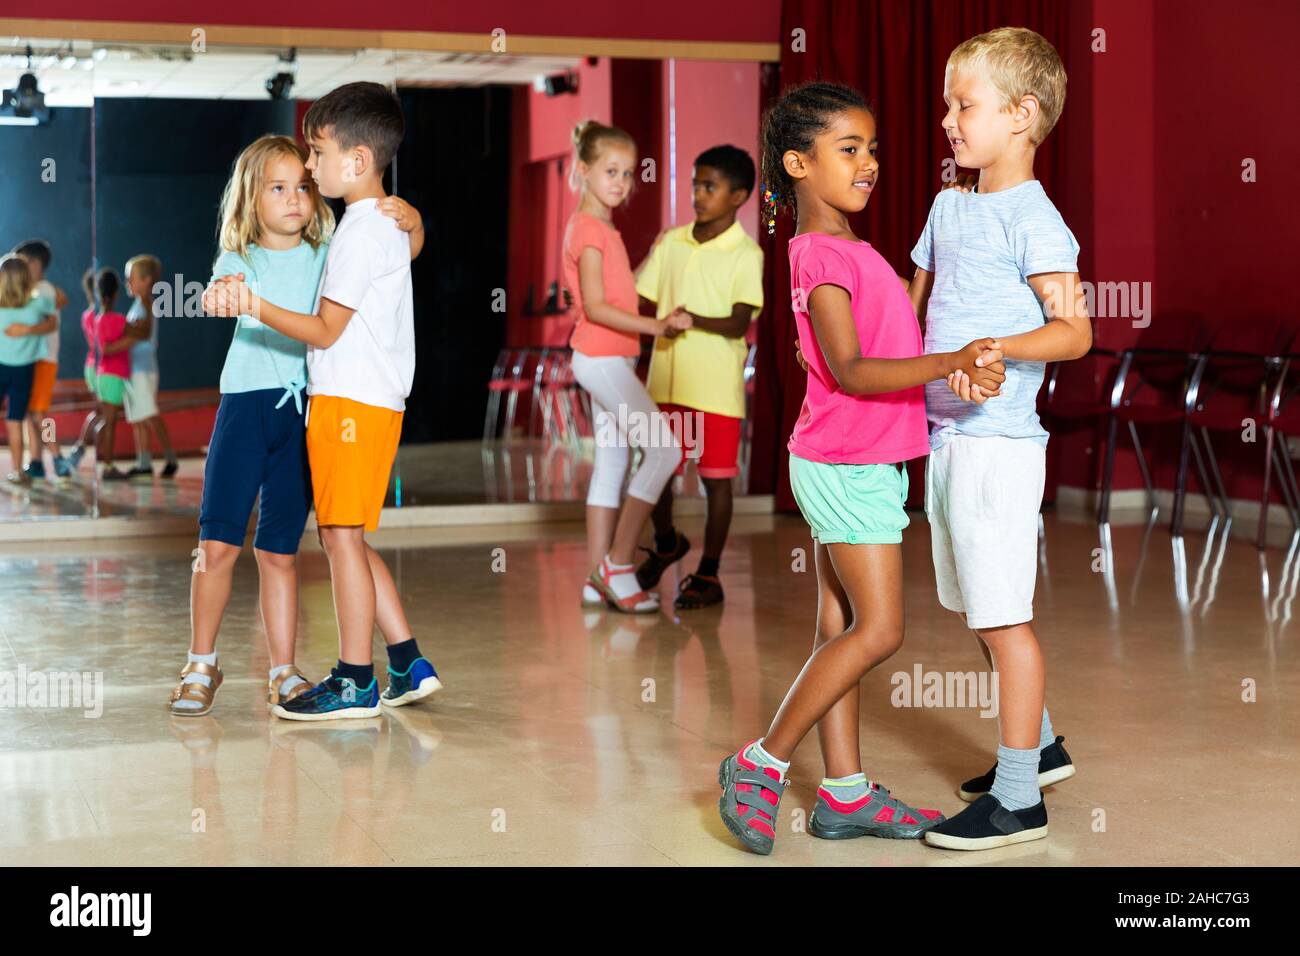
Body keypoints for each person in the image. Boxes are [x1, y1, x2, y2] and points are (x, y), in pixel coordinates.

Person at [715, 81, 1005, 855]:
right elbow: (851, 368)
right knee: (879, 630)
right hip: (849, 459)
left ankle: (842, 792)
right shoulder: (820, 252)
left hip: (854, 458)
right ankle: (760, 761)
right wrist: (950, 360)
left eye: (873, 148)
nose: (870, 162)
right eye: (850, 149)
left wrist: (938, 314)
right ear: (798, 163)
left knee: (837, 626)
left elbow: (891, 335)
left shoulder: (844, 247)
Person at [204, 83, 440, 721]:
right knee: (350, 538)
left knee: (339, 538)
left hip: (347, 405)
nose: (309, 167)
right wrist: (415, 221)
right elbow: (407, 252)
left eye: (318, 153)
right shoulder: (379, 223)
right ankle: (406, 660)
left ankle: (355, 679)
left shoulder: (358, 235)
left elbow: (325, 330)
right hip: (369, 402)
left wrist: (255, 306)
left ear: (357, 161)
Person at [911, 27, 1088, 851]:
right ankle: (1041, 745)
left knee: (1005, 620)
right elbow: (918, 311)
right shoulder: (948, 205)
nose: (948, 119)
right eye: (948, 103)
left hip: (1001, 449)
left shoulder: (1037, 218)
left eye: (964, 104)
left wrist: (997, 350)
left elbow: (1073, 334)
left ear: (1021, 116)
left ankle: (1021, 797)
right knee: (979, 610)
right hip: (949, 443)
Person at [563, 119, 692, 613]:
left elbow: (621, 294)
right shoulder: (591, 231)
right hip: (601, 357)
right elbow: (596, 308)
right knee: (664, 450)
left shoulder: (601, 229)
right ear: (583, 171)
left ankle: (598, 578)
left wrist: (652, 255)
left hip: (604, 357)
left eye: (628, 173)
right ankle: (618, 564)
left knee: (615, 461)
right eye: (610, 171)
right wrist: (659, 326)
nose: (620, 182)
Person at [633, 144, 764, 609]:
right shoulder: (672, 242)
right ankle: (667, 542)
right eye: (695, 184)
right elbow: (638, 295)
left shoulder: (746, 253)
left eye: (709, 186)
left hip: (715, 390)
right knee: (655, 474)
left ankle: (708, 575)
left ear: (738, 196)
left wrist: (693, 320)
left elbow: (739, 321)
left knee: (716, 482)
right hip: (666, 383)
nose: (698, 194)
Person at [11, 240, 71, 482]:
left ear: (34, 264)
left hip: (43, 359)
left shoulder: (44, 291)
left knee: (38, 414)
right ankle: (35, 462)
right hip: (34, 358)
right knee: (31, 412)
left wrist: (22, 330)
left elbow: (48, 322)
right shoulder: (41, 290)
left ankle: (58, 457)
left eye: (22, 263)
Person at [0, 254, 57, 486]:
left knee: (39, 417)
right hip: (26, 370)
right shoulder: (39, 302)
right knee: (22, 420)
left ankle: (51, 457)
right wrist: (30, 329)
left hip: (9, 367)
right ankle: (30, 465)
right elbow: (53, 321)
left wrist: (24, 330)